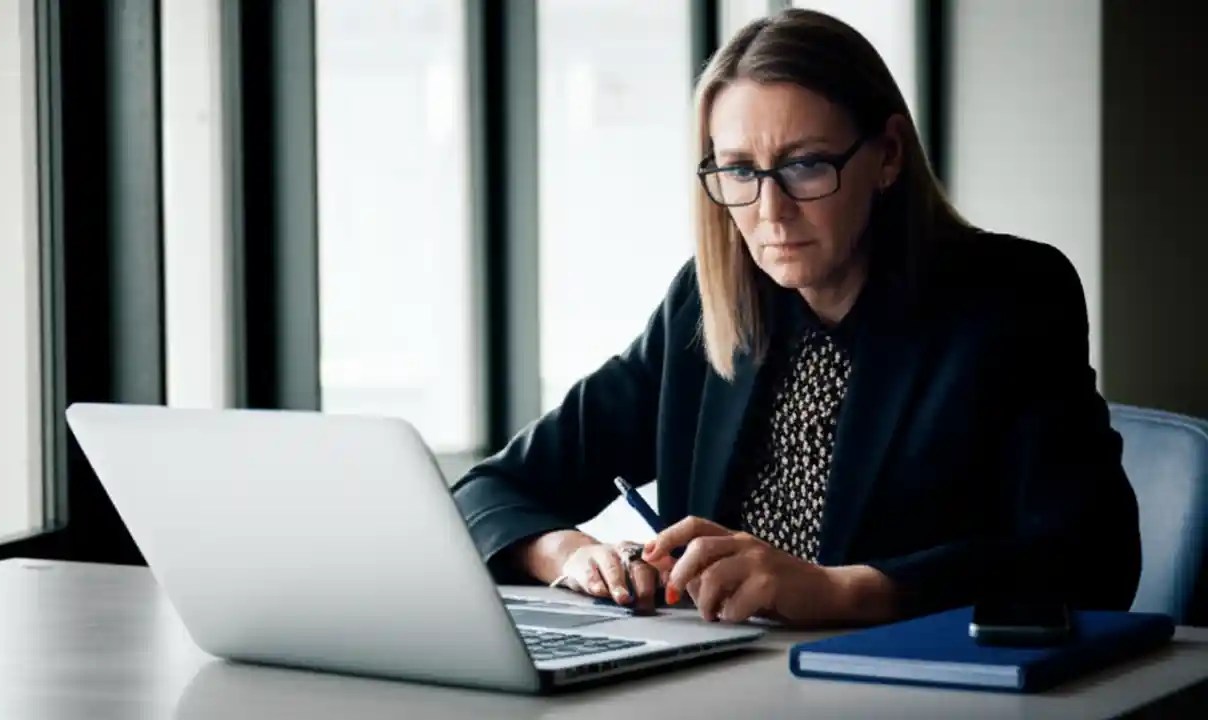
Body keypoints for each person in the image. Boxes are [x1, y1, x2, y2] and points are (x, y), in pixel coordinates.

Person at [451, 9, 1140, 626]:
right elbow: (490, 489)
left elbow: (1089, 559)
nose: (770, 213)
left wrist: (846, 592)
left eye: (805, 166)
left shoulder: (1010, 296)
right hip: (717, 687)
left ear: (889, 155)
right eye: (740, 172)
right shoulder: (709, 301)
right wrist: (566, 552)